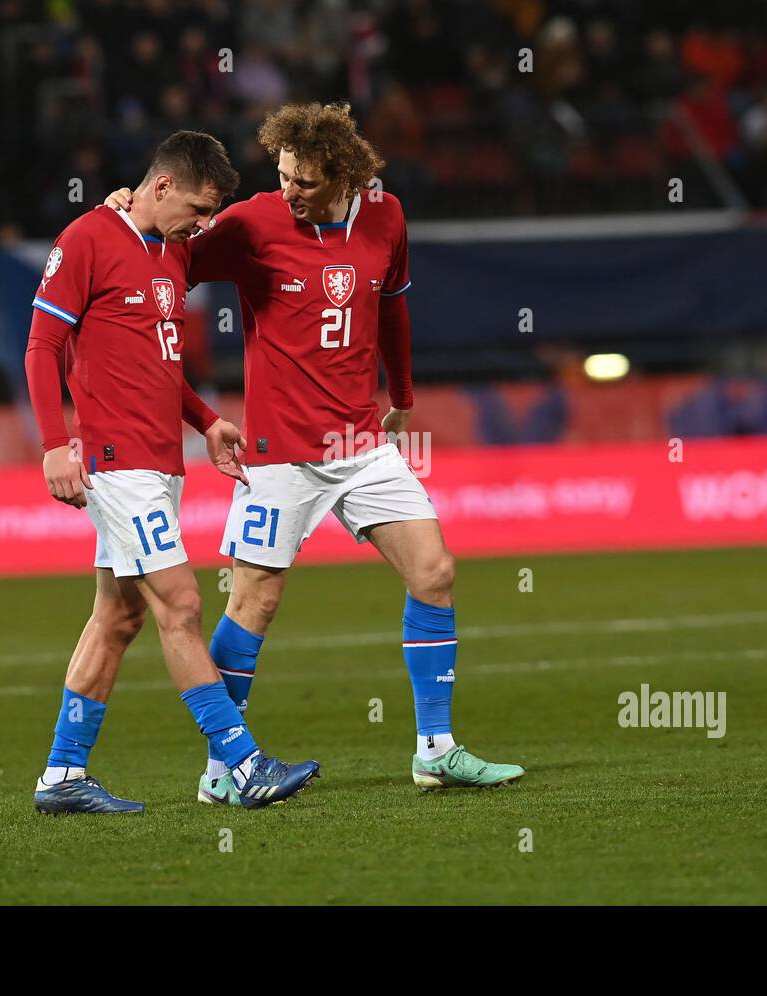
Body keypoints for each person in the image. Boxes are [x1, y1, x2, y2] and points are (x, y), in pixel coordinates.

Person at [108, 103, 524, 805]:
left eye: (302, 181)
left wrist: (405, 391)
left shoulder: (387, 218)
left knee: (435, 570)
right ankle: (224, 769)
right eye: (281, 176)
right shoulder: (250, 224)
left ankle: (435, 749)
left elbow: (392, 304)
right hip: (279, 453)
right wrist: (129, 214)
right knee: (256, 601)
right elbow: (167, 251)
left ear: (344, 175)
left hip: (361, 442)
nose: (287, 191)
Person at [25, 131, 319, 813]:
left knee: (117, 616)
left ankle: (63, 777)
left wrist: (205, 420)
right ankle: (241, 766)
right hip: (115, 463)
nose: (205, 223)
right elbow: (43, 345)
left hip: (160, 462)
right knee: (182, 606)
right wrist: (52, 444)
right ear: (160, 188)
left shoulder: (174, 251)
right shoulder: (86, 239)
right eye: (198, 207)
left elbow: (155, 360)